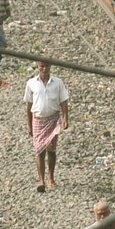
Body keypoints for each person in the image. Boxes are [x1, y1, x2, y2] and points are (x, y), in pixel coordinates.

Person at [24, 61, 70, 191]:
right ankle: (41, 180)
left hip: (53, 119)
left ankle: (51, 178)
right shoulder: (31, 83)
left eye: (47, 66)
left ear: (50, 66)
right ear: (38, 67)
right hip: (38, 120)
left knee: (52, 150)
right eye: (41, 66)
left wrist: (65, 118)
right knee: (39, 150)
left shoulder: (58, 83)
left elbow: (64, 101)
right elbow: (28, 105)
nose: (44, 69)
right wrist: (29, 125)